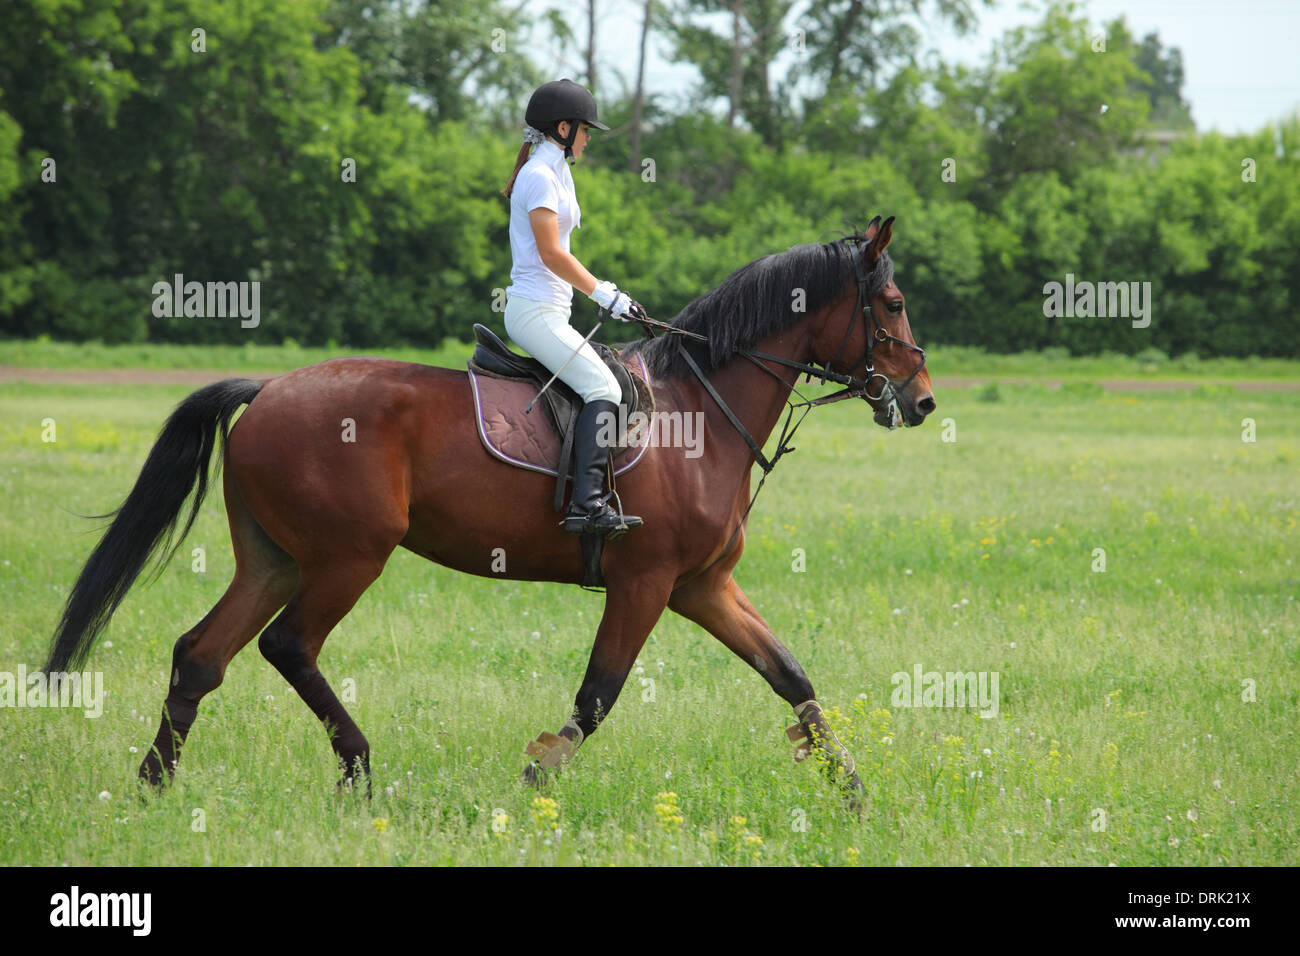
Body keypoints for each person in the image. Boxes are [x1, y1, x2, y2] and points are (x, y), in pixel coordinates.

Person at [501, 78, 643, 538]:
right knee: (604, 386)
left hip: (551, 311)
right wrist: (603, 293)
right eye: (584, 129)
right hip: (533, 312)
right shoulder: (539, 175)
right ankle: (587, 505)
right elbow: (550, 253)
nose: (588, 137)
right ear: (563, 128)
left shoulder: (558, 170)